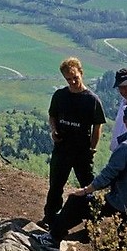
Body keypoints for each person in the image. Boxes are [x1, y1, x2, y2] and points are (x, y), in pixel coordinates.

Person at [35, 103, 127, 251]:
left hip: (123, 203)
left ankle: (53, 239)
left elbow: (107, 177)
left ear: (125, 122)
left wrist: (84, 191)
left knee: (77, 202)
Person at [40, 57, 105, 229]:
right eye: (68, 79)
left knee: (88, 187)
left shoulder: (92, 100)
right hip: (62, 148)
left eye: (75, 77)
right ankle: (50, 218)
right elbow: (52, 115)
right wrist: (53, 130)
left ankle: (92, 223)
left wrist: (93, 148)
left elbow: (97, 127)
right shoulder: (60, 95)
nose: (73, 81)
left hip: (82, 151)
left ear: (81, 73)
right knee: (55, 185)